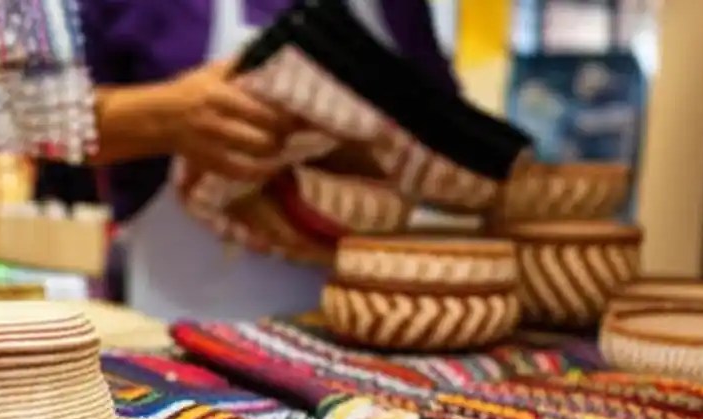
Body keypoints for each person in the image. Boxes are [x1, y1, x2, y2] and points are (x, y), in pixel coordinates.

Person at [80, 0, 459, 321]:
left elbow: (452, 138)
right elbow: (43, 121)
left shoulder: (400, 8)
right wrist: (166, 115)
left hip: (363, 320)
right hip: (180, 312)